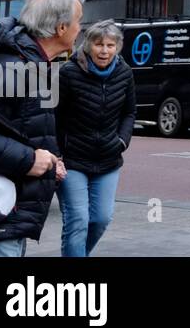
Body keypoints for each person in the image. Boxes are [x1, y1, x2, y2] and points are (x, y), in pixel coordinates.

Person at [0, 0, 83, 257]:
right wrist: (29, 159)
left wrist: (49, 160)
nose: (80, 29)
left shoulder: (31, 65)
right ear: (61, 28)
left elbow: (20, 129)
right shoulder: (8, 67)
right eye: (78, 21)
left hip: (7, 219)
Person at [56, 19, 136, 257]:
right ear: (88, 45)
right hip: (73, 160)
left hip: (108, 159)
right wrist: (58, 152)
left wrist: (122, 141)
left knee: (100, 219)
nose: (104, 51)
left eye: (110, 45)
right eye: (99, 44)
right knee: (78, 219)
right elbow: (54, 116)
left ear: (118, 47)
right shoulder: (69, 72)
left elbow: (130, 112)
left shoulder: (125, 73)